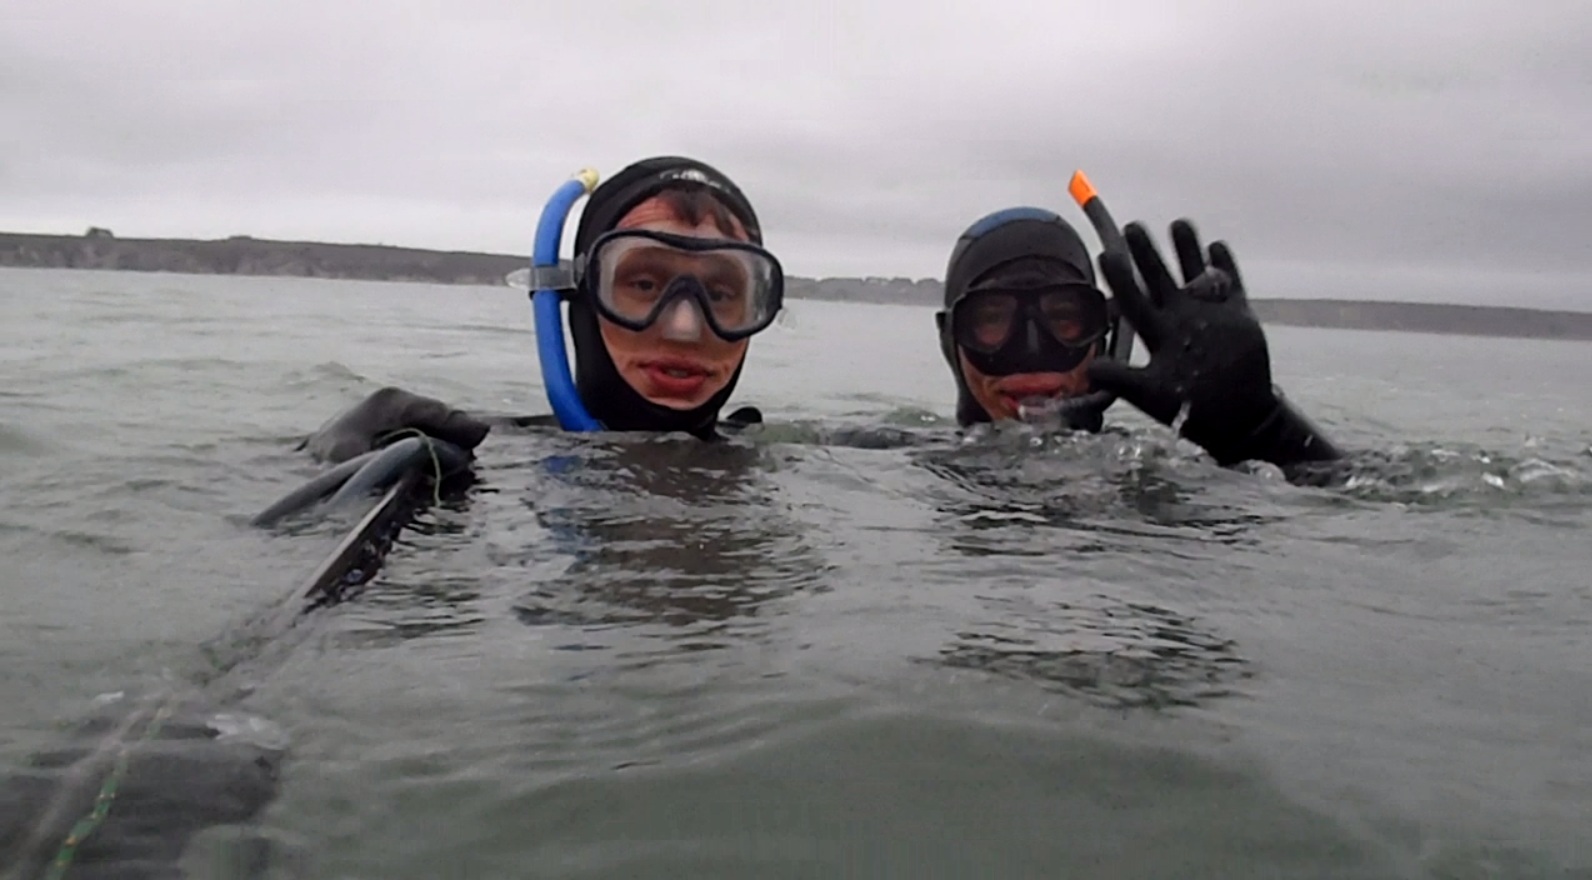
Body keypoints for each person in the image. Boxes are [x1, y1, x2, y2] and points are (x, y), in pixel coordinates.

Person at [302, 155, 782, 464]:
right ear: (576, 296)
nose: (683, 327)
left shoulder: (795, 453)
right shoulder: (479, 453)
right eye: (642, 283)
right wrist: (319, 453)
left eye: (720, 295)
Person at [936, 206, 1343, 470]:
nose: (1030, 350)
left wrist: (1264, 432)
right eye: (991, 319)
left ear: (1104, 333)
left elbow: (1374, 514)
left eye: (1063, 317)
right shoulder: (893, 457)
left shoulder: (1153, 473)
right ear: (949, 339)